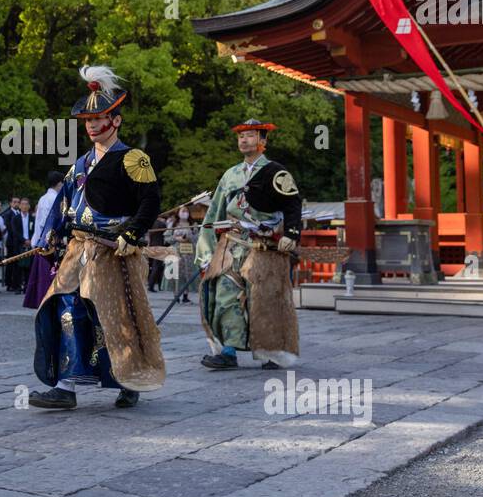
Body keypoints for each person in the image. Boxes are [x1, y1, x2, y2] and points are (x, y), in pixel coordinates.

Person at [30, 65, 164, 411]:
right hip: (78, 250)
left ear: (115, 120)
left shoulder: (134, 159)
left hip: (112, 250)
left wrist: (132, 234)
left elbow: (150, 201)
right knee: (66, 309)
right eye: (87, 119)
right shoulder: (81, 163)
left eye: (99, 117)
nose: (91, 124)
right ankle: (65, 384)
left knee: (113, 316)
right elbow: (64, 204)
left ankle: (127, 378)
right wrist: (52, 236)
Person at [196, 119, 303, 371]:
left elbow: (292, 204)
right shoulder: (230, 174)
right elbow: (214, 213)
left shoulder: (276, 172)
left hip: (263, 246)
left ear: (263, 141)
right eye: (240, 136)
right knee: (225, 294)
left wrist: (291, 233)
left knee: (263, 298)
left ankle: (269, 351)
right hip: (232, 244)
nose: (243, 140)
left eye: (250, 136)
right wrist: (206, 249)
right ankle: (228, 351)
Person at [23, 171, 63, 308]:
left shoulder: (43, 198)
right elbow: (50, 223)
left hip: (40, 241)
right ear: (59, 184)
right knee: (48, 277)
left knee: (42, 278)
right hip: (48, 243)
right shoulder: (55, 199)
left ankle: (42, 302)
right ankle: (47, 304)